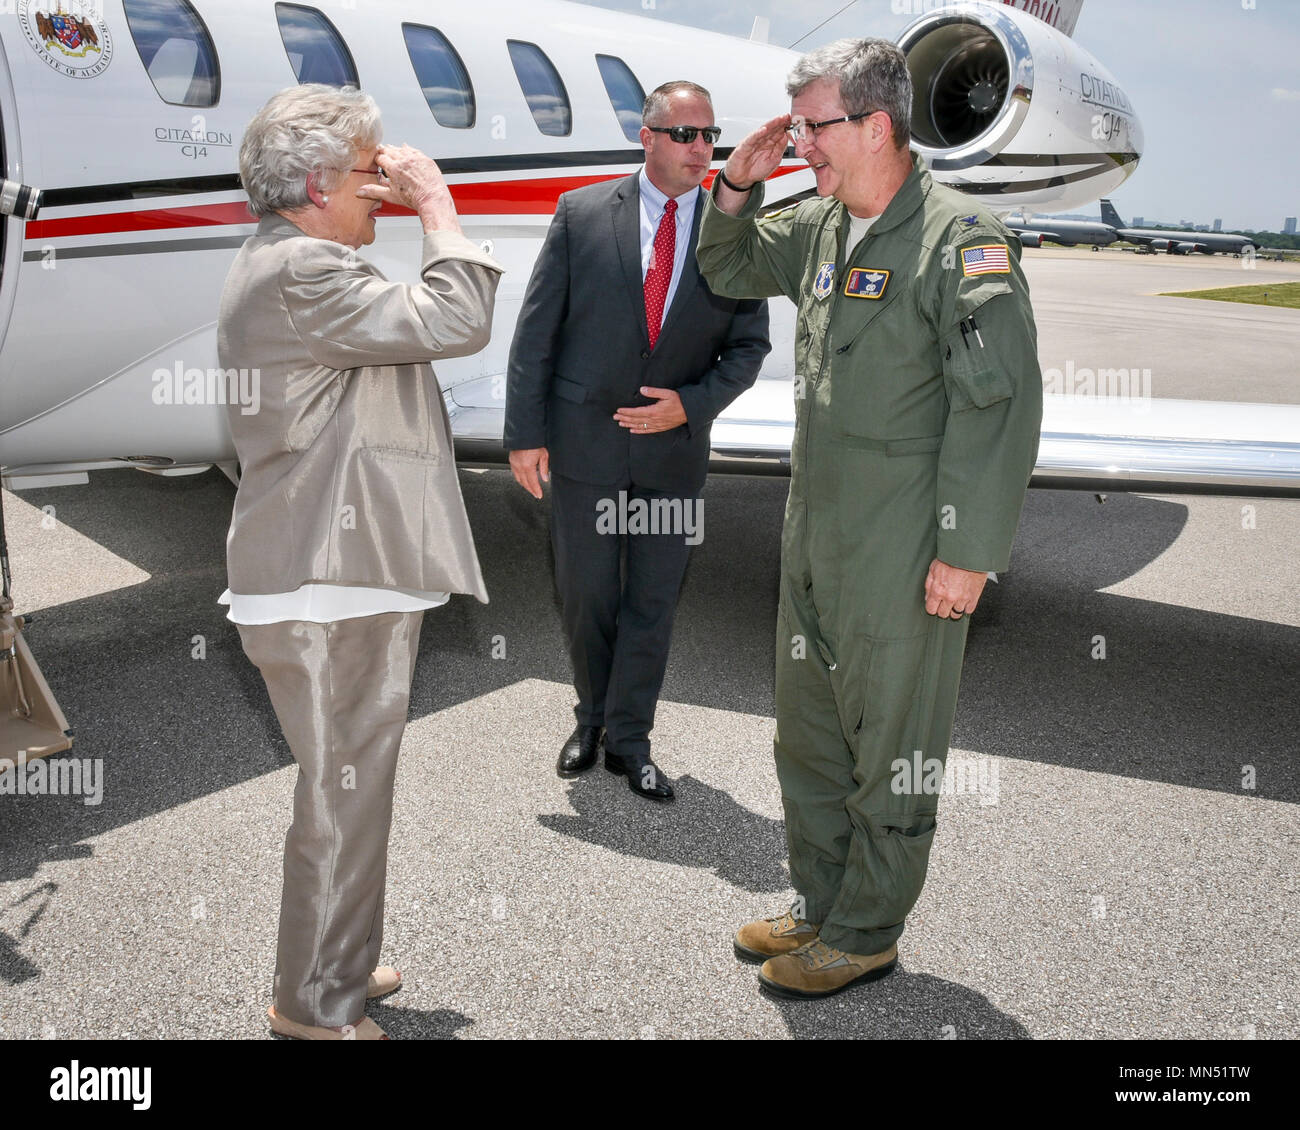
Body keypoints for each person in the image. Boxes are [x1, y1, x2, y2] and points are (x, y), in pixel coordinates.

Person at [696, 39, 1042, 998]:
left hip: (904, 534)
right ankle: (820, 901)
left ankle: (867, 929)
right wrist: (735, 181)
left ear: (876, 126)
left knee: (892, 744)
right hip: (814, 526)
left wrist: (967, 553)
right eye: (799, 125)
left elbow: (1000, 406)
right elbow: (723, 267)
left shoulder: (955, 240)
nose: (800, 141)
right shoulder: (819, 226)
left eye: (814, 125)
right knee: (809, 732)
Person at [218, 84, 503, 1039]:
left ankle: (334, 964)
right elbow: (459, 316)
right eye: (368, 171)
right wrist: (433, 201)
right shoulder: (306, 269)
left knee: (346, 793)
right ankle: (314, 1009)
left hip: (325, 571)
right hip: (327, 582)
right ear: (311, 183)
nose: (380, 186)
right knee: (341, 801)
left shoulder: (286, 263)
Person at [505, 81, 769, 802]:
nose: (702, 150)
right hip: (584, 447)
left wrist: (689, 406)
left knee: (652, 601)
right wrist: (524, 434)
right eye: (686, 135)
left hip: (672, 457)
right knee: (587, 595)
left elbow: (749, 347)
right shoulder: (581, 213)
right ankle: (589, 719)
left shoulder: (732, 228)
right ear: (646, 136)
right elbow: (537, 334)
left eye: (710, 135)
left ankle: (630, 739)